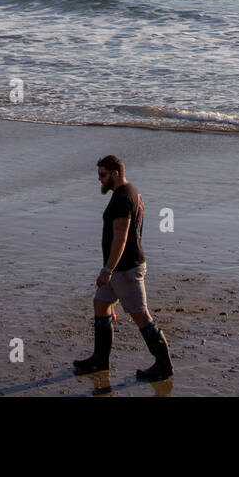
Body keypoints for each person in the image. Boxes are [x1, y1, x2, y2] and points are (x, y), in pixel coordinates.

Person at [73, 155, 173, 381]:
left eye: (102, 175)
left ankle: (164, 365)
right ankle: (100, 360)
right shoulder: (132, 192)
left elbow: (121, 237)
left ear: (114, 174)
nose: (100, 180)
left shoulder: (121, 199)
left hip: (124, 269)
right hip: (119, 269)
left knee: (141, 315)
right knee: (101, 303)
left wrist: (107, 269)